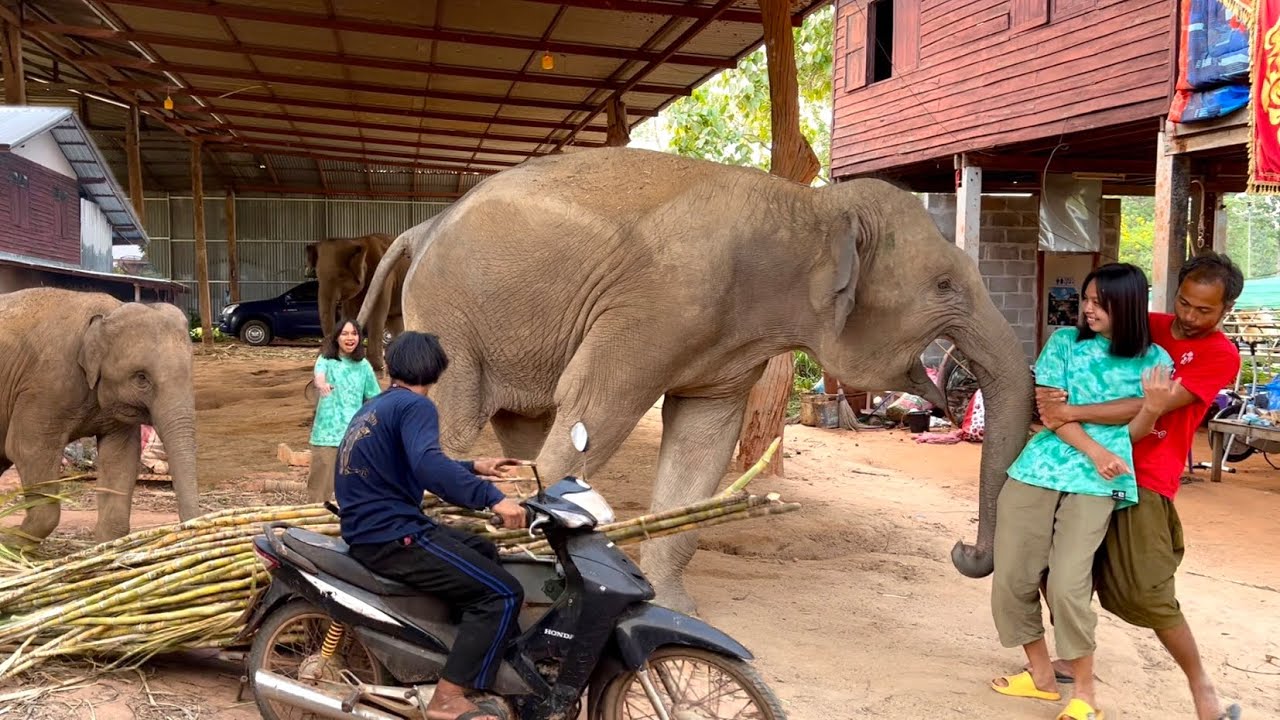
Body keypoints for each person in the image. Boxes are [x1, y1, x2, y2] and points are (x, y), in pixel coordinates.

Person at [1036, 253, 1245, 720]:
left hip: (1143, 475)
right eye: (1184, 303)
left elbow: (1156, 403)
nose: (1189, 317)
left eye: (1204, 310)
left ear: (1225, 309)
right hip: (1081, 465)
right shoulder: (1148, 323)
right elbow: (1086, 338)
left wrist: (1069, 413)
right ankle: (1072, 661)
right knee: (1060, 571)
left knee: (1149, 588)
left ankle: (1202, 689)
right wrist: (1053, 393)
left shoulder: (1219, 354)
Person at [990, 263, 1177, 720]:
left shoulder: (1155, 360)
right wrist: (1096, 442)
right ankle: (1040, 676)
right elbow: (1051, 415)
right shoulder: (1065, 344)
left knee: (1069, 587)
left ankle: (1086, 694)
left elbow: (1137, 424)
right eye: (1086, 300)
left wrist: (1143, 409)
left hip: (1099, 483)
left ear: (1127, 305)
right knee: (1013, 577)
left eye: (1099, 302)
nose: (1087, 309)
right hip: (1038, 471)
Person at [335, 330, 527, 720]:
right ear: (437, 369)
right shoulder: (417, 407)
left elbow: (410, 463)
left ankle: (456, 650)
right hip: (394, 536)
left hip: (371, 531)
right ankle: (448, 696)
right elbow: (428, 467)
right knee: (503, 594)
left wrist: (473, 466)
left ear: (393, 367)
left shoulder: (378, 406)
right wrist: (494, 497)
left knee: (484, 551)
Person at [307, 318, 382, 503]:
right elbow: (319, 377)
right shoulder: (326, 360)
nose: (350, 338)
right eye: (345, 333)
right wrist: (322, 385)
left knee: (355, 486)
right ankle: (312, 527)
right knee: (320, 487)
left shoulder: (363, 365)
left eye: (354, 334)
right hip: (327, 434)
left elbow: (374, 396)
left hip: (355, 436)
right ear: (337, 338)